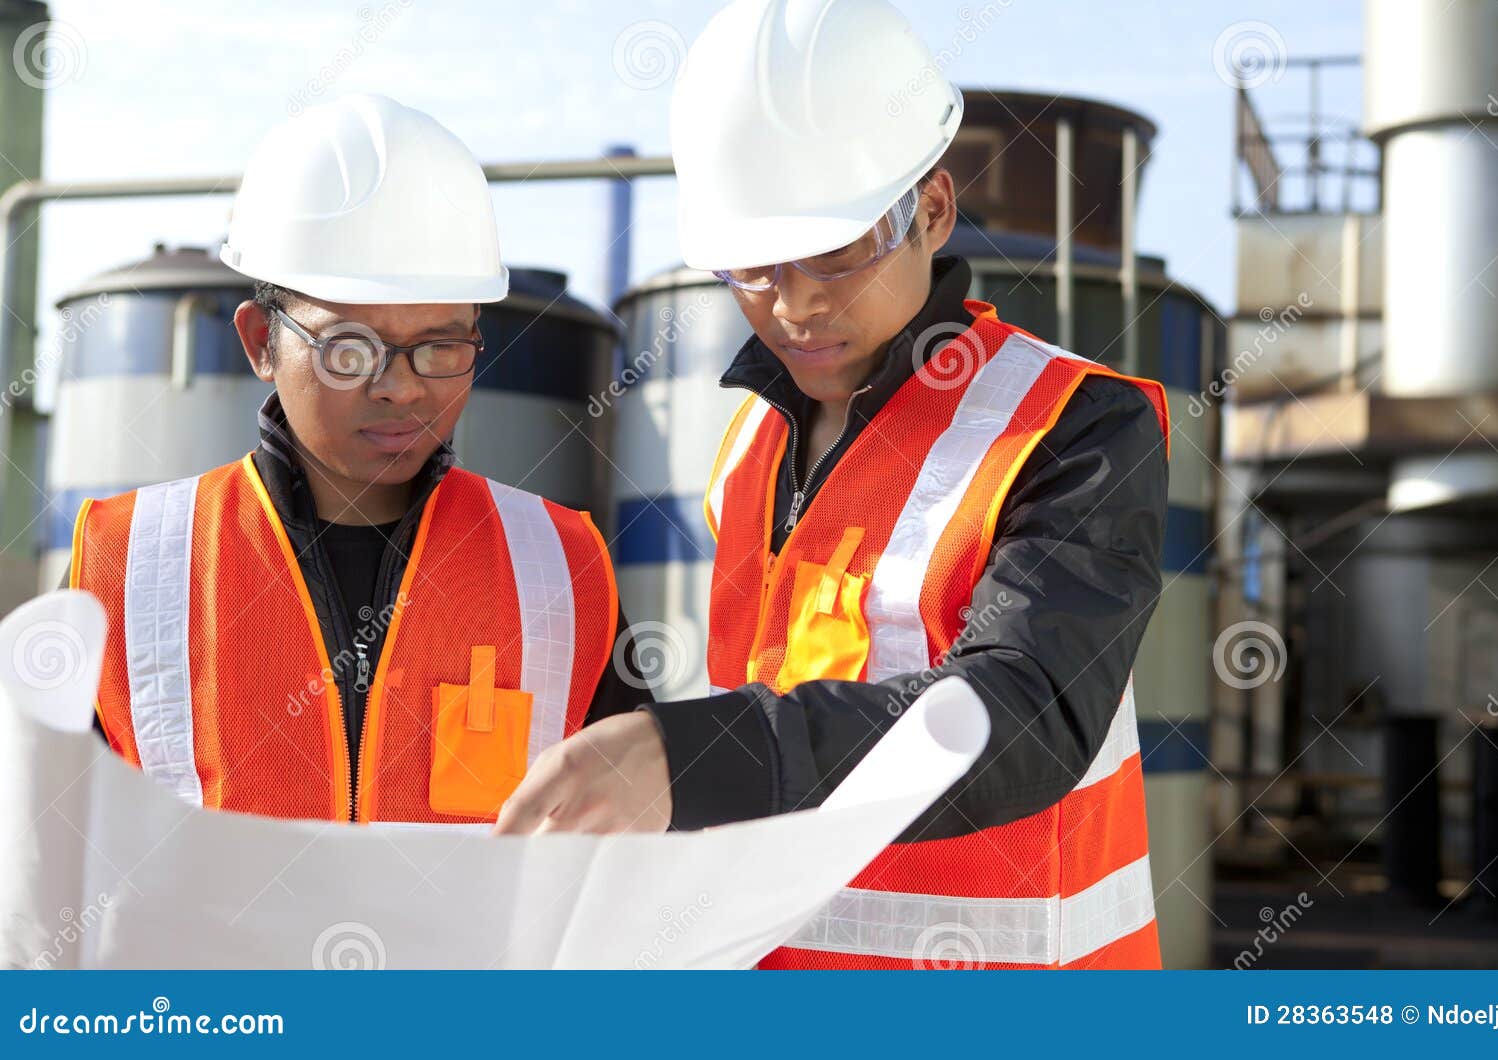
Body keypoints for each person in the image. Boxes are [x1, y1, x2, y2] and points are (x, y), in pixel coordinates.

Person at [496, 0, 1169, 969]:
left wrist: (697, 755)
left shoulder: (1074, 425)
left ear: (931, 210)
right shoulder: (750, 445)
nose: (796, 303)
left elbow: (1027, 711)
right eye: (754, 268)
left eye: (836, 253)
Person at [70, 94, 648, 825]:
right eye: (349, 348)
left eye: (440, 346)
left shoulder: (561, 568)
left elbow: (625, 869)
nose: (401, 388)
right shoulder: (128, 565)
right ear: (259, 342)